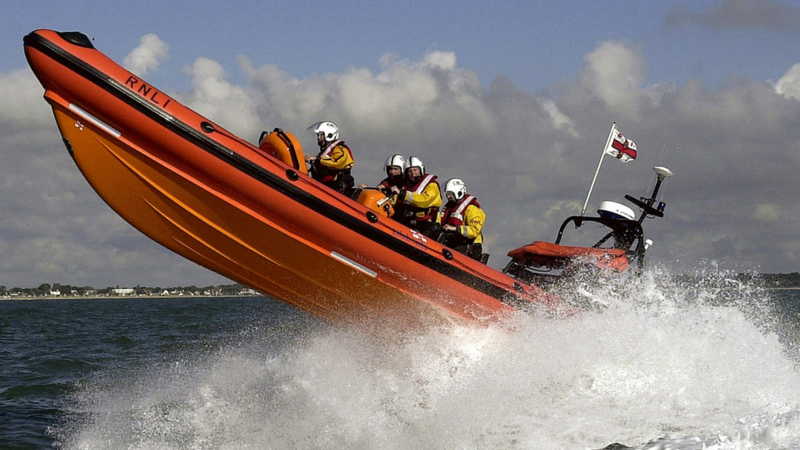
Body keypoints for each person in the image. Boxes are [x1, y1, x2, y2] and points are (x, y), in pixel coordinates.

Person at [389, 156, 442, 237]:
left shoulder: (432, 185)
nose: (412, 173)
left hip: (427, 224)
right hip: (409, 220)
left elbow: (424, 201)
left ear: (421, 170)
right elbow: (396, 200)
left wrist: (403, 194)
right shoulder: (406, 185)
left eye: (415, 170)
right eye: (409, 171)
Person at [439, 178, 486, 261]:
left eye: (451, 194)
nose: (449, 197)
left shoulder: (472, 209)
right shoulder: (450, 208)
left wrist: (455, 228)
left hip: (470, 245)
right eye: (447, 194)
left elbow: (474, 230)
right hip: (454, 242)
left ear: (459, 192)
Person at [304, 121, 355, 195]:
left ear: (329, 135)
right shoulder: (324, 152)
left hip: (335, 186)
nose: (318, 138)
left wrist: (317, 159)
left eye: (321, 135)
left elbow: (337, 162)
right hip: (323, 186)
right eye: (318, 135)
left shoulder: (340, 149)